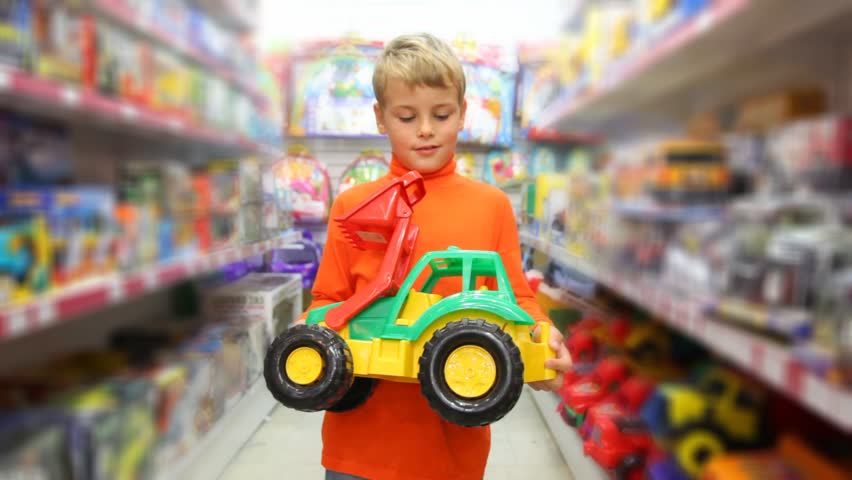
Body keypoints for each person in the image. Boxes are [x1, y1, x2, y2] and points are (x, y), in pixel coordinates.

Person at [299, 33, 573, 480]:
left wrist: (543, 337)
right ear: (381, 119)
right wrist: (310, 326)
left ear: (463, 114)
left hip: (452, 442)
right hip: (360, 442)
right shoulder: (356, 206)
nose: (425, 129)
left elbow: (517, 298)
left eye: (441, 114)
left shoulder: (491, 205)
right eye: (407, 116)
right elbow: (329, 297)